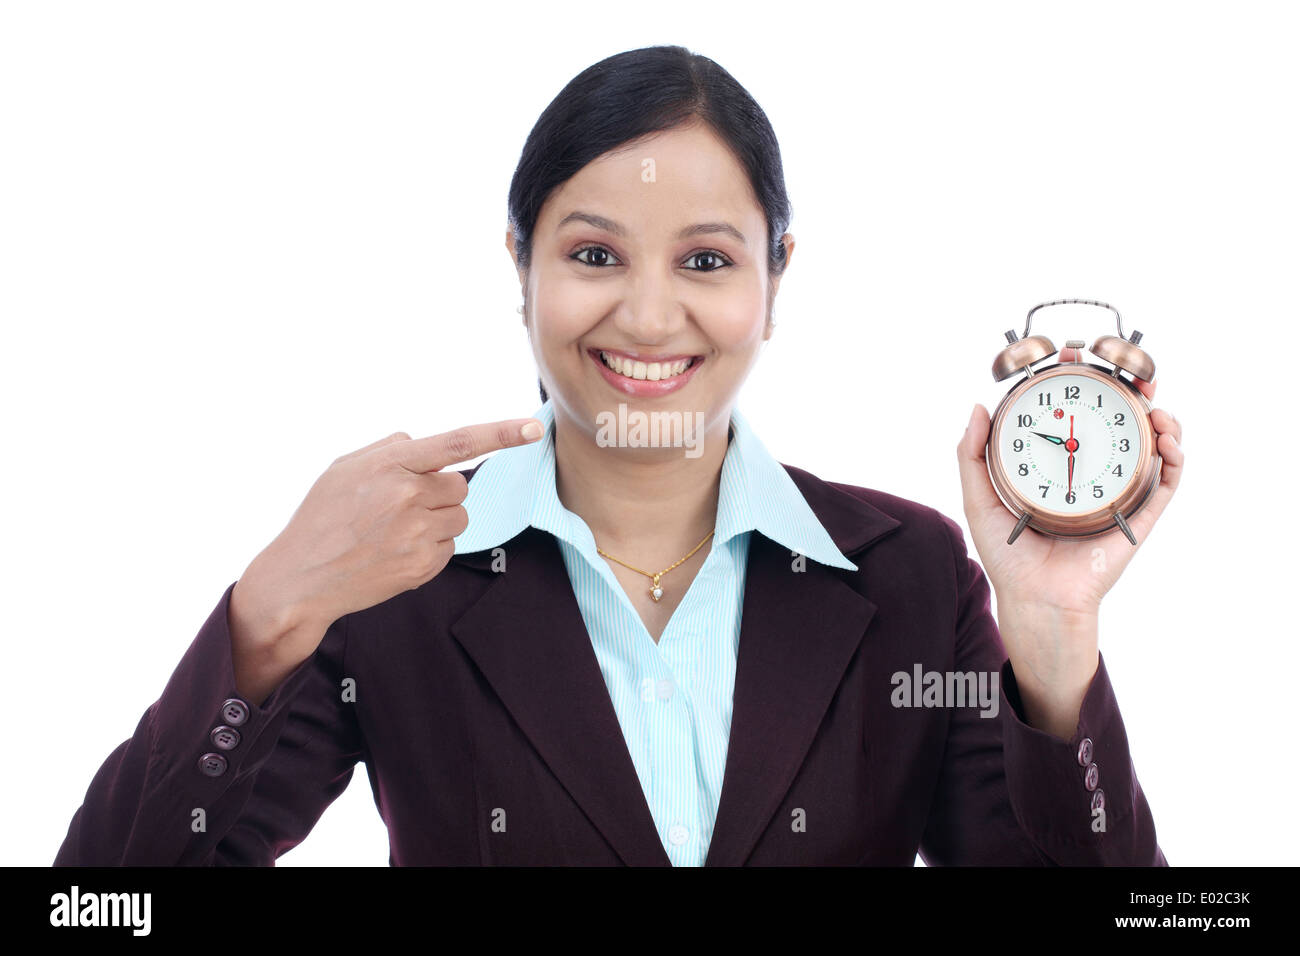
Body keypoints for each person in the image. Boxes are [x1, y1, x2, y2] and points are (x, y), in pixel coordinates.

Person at [54, 44, 1183, 867]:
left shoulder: (912, 574)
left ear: (774, 278)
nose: (648, 317)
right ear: (522, 262)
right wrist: (272, 610)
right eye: (595, 252)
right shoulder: (393, 576)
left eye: (705, 261)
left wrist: (1050, 639)